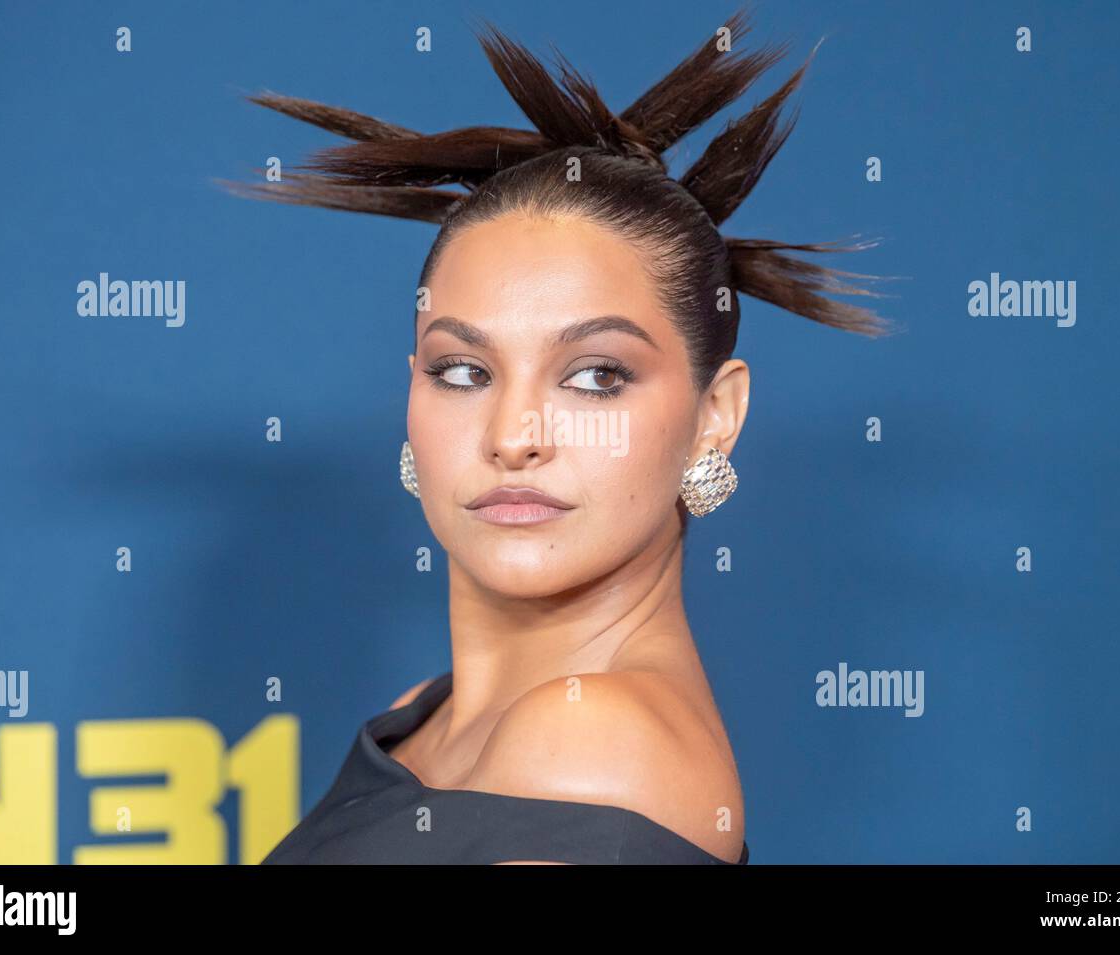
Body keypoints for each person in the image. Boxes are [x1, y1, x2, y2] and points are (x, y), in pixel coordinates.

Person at [233, 5, 893, 864]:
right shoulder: (430, 712)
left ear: (713, 420)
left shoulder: (592, 747)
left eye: (595, 376)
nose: (514, 434)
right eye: (462, 372)